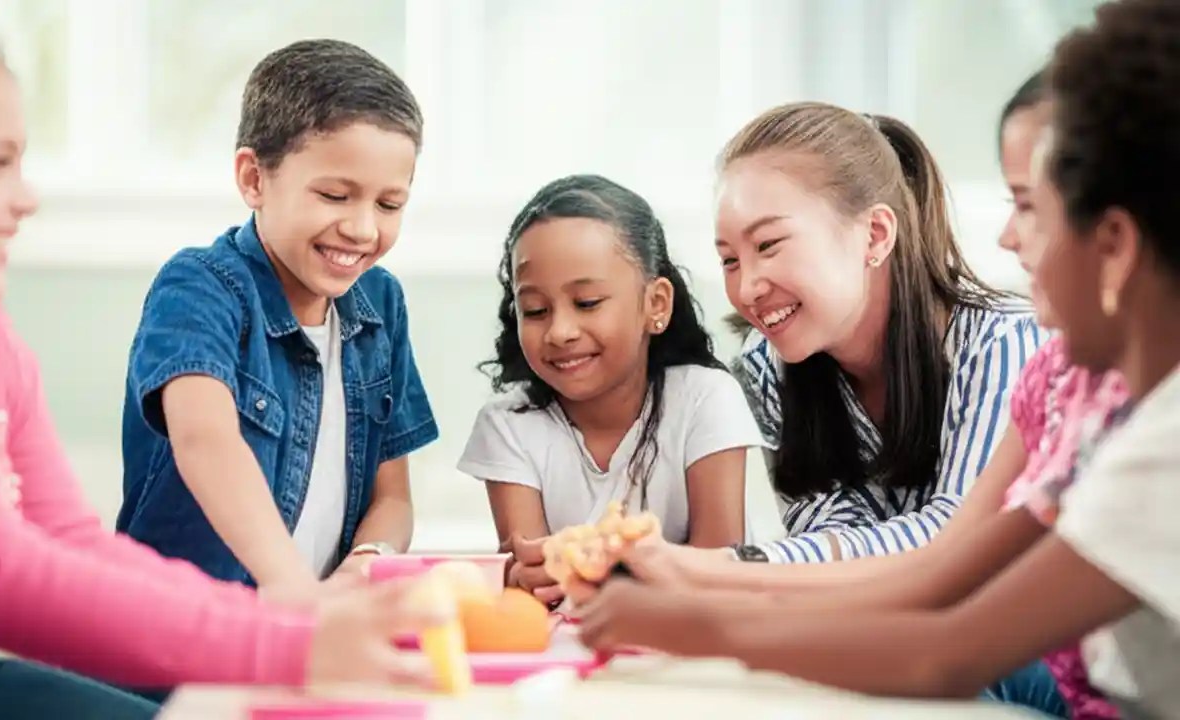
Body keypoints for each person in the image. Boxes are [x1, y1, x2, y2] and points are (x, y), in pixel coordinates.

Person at [580, 1, 1180, 715]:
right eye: (730, 258)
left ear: (1113, 245)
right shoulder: (1081, 402)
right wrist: (687, 577)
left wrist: (706, 617)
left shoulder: (1156, 442)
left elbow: (949, 648)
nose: (1010, 240)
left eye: (1030, 208)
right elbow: (935, 574)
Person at [0, 6, 440, 719]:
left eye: (389, 202)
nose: (27, 197)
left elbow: (70, 541)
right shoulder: (204, 286)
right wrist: (292, 632)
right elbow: (0, 576)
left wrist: (321, 607)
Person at [117, 38, 438, 604]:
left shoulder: (381, 304)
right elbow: (205, 439)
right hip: (184, 648)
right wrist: (293, 588)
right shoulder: (199, 286)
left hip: (307, 645)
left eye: (389, 206)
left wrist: (361, 569)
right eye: (336, 195)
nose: (364, 229)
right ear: (254, 179)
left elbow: (393, 499)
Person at [716, 102, 1044, 565]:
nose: (746, 288)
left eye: (768, 245)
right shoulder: (765, 366)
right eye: (729, 259)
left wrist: (741, 565)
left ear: (874, 234)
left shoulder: (1005, 344)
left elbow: (959, 534)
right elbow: (833, 543)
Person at [459, 175, 764, 604]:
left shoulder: (706, 399)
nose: (560, 331)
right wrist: (524, 575)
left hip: (703, 645)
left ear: (655, 304)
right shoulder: (508, 424)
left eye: (587, 304)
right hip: (579, 653)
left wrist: (592, 568)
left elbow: (718, 564)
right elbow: (536, 581)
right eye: (535, 310)